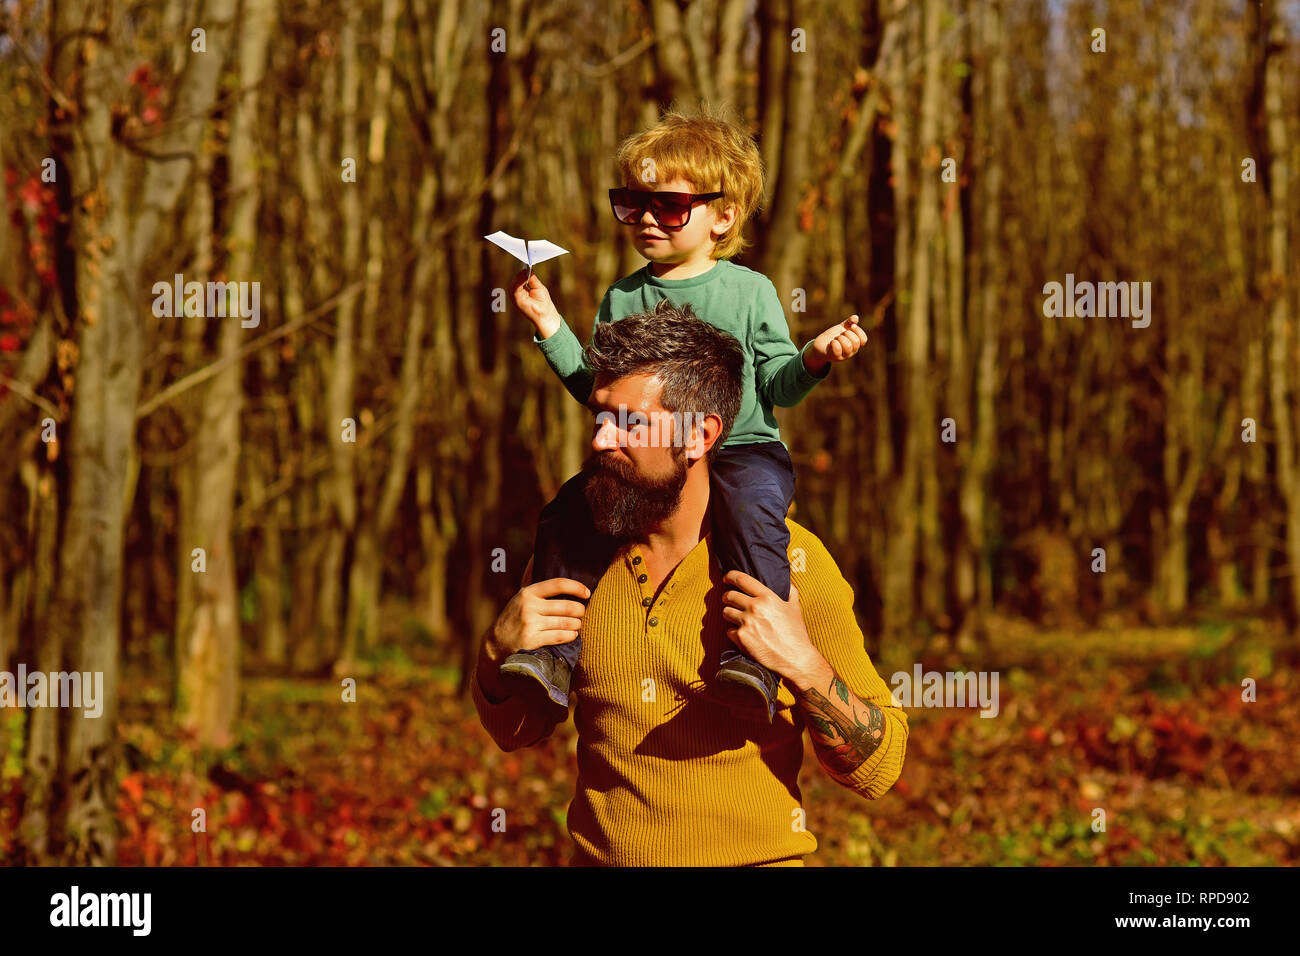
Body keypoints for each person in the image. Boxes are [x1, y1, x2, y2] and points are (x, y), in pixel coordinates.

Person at [471, 306, 907, 866]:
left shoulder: (791, 564)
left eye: (629, 422)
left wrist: (801, 662)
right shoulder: (571, 557)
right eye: (599, 417)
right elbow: (518, 730)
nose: (603, 440)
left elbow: (882, 766)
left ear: (700, 436)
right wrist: (493, 652)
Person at [503, 104, 867, 722]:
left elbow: (776, 387)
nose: (645, 218)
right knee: (566, 513)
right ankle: (555, 654)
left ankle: (751, 657)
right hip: (651, 458)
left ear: (723, 215)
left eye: (668, 206)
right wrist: (550, 327)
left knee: (753, 518)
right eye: (630, 203)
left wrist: (814, 357)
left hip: (742, 448)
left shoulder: (749, 292)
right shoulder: (624, 295)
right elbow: (600, 391)